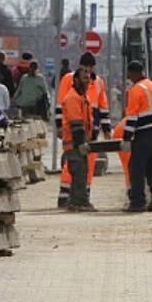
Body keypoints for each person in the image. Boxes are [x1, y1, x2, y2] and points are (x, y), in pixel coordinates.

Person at [53, 54, 110, 207]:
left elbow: (102, 108)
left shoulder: (97, 82)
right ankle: (67, 195)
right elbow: (61, 105)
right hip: (74, 131)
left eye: (90, 68)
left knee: (87, 164)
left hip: (90, 131)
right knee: (74, 163)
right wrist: (59, 125)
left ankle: (83, 195)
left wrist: (106, 129)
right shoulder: (69, 81)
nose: (88, 72)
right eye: (85, 68)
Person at [122, 60, 152, 212]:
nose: (129, 77)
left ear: (132, 73)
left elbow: (132, 117)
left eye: (129, 74)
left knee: (136, 167)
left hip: (146, 132)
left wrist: (127, 139)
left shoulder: (135, 90)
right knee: (151, 165)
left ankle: (137, 202)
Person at [60, 65, 95, 211]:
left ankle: (75, 201)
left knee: (81, 171)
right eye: (84, 78)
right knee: (79, 172)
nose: (87, 82)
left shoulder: (82, 97)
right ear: (76, 80)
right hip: (74, 143)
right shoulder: (73, 98)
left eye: (88, 79)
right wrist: (81, 143)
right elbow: (77, 123)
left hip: (78, 142)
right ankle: (79, 202)